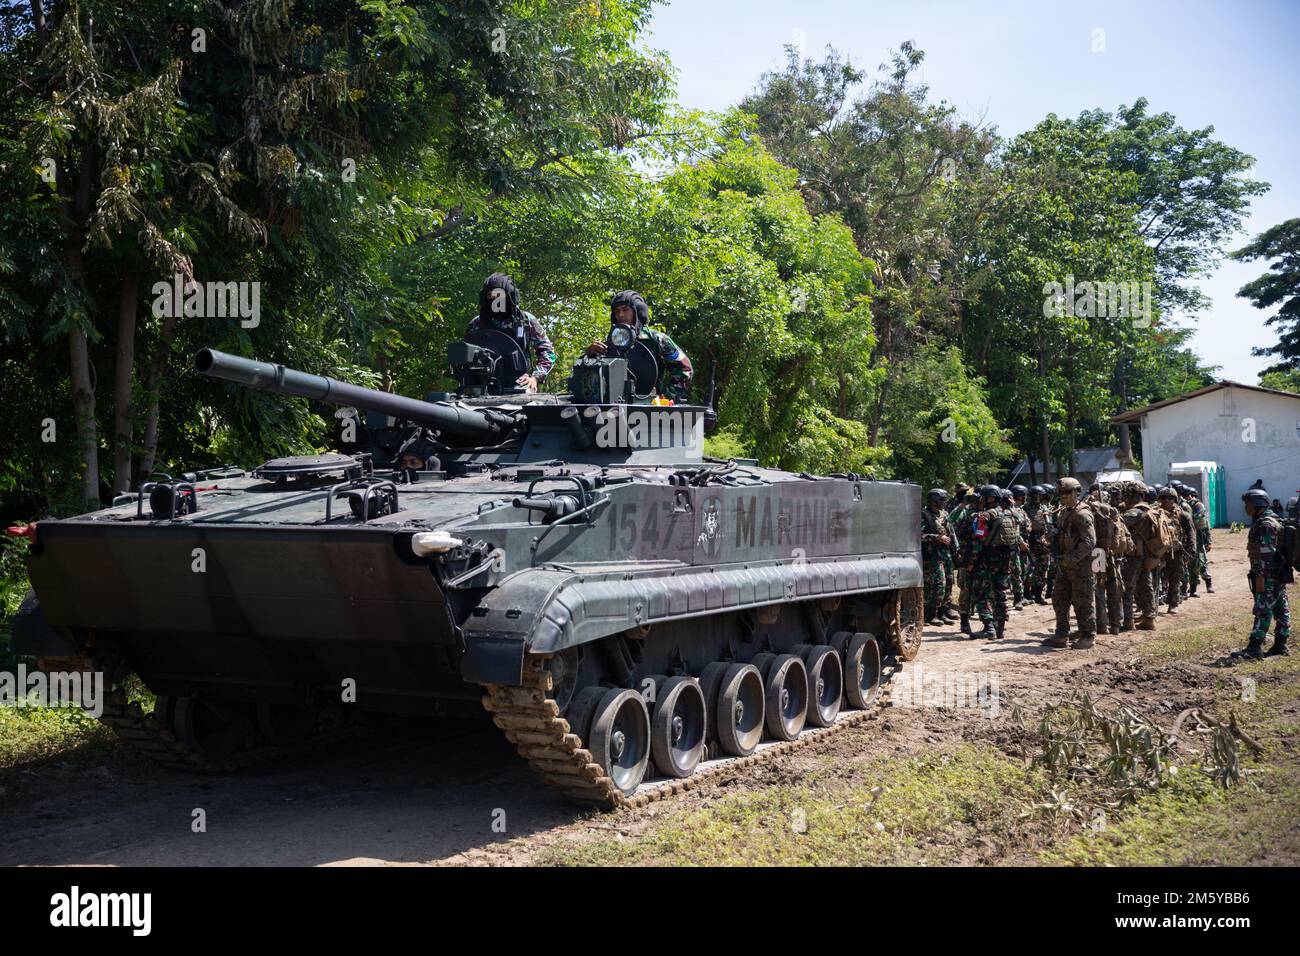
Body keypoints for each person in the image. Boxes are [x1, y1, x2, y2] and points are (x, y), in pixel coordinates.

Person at [585, 290, 693, 402]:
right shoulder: (610, 342)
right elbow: (589, 376)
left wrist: (667, 397)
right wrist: (589, 356)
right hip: (613, 406)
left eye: (625, 310)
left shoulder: (656, 339)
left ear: (638, 312)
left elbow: (685, 368)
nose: (620, 315)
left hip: (650, 408)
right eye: (617, 311)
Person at [466, 273, 556, 391]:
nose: (496, 301)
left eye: (499, 296)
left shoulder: (525, 320)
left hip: (520, 383)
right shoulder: (477, 324)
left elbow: (547, 351)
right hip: (481, 386)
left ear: (509, 296)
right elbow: (465, 354)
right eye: (491, 297)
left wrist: (535, 377)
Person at [1233, 488, 1291, 660]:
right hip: (1278, 573)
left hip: (1268, 574)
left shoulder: (1266, 524)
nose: (1246, 508)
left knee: (1263, 610)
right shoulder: (1273, 519)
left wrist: (1260, 577)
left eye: (1248, 504)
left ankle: (1254, 648)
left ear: (1257, 505)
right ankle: (1281, 643)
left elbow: (1266, 555)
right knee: (1281, 607)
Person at [1044, 477, 1097, 650]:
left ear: (1076, 492)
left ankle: (1088, 636)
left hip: (1081, 567)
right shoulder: (1065, 511)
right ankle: (1061, 635)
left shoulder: (1082, 513)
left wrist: (1070, 559)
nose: (1063, 496)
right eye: (1060, 493)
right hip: (1065, 565)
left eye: (1067, 492)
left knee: (1083, 601)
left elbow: (1089, 542)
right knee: (1059, 599)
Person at [967, 485, 1016, 640]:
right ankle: (1000, 628)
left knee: (981, 592)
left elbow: (979, 540)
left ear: (989, 498)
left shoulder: (985, 516)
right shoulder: (1009, 513)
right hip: (1005, 558)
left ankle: (989, 627)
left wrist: (971, 562)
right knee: (1001, 592)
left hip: (987, 559)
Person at [1119, 481, 1159, 631]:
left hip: (1133, 555)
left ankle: (1128, 621)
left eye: (1129, 493)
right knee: (1146, 586)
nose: (1126, 496)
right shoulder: (1150, 509)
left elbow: (1119, 523)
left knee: (1128, 587)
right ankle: (1149, 618)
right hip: (1146, 555)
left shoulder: (1135, 512)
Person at [921, 489, 955, 626]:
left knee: (949, 583)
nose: (943, 503)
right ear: (934, 501)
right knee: (937, 585)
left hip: (946, 554)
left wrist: (955, 549)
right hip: (932, 555)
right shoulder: (924, 515)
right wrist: (937, 538)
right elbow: (919, 535)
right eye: (941, 500)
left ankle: (943, 612)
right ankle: (931, 615)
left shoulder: (944, 514)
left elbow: (951, 532)